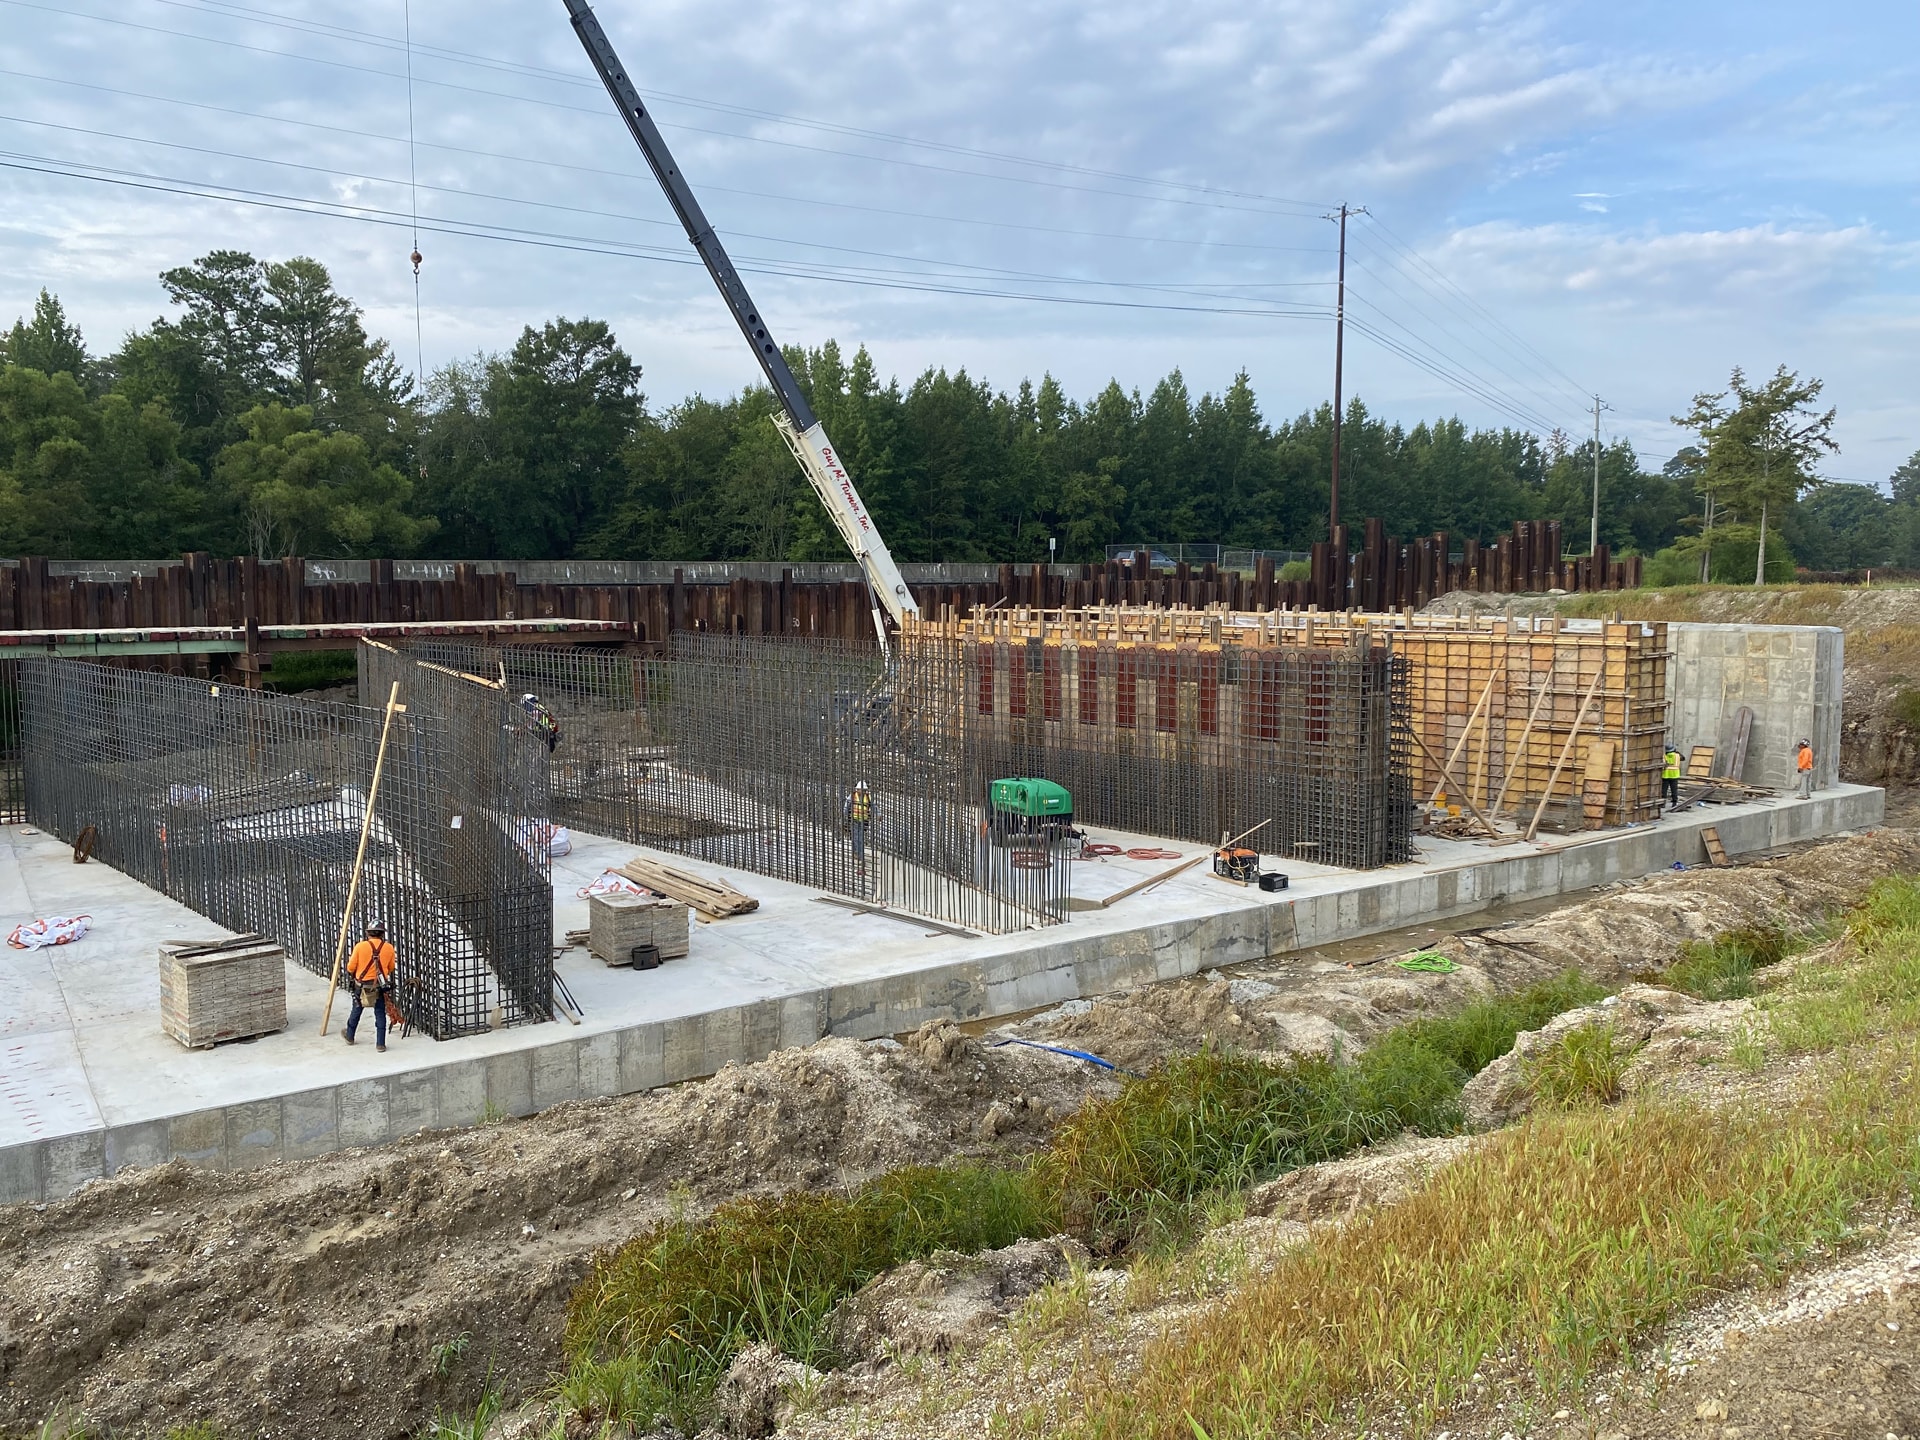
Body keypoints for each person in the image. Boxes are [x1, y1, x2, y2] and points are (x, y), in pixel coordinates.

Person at [344, 920, 397, 1052]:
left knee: (356, 1009)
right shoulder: (389, 947)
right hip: (379, 986)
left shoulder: (360, 946)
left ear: (368, 933)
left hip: (361, 986)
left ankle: (349, 1036)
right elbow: (391, 967)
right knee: (380, 1013)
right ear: (382, 934)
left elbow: (350, 967)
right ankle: (380, 1044)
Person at [845, 780, 872, 866]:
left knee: (859, 839)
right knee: (857, 838)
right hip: (854, 820)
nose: (862, 791)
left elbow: (874, 806)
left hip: (864, 821)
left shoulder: (868, 797)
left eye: (864, 790)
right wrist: (844, 815)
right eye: (861, 789)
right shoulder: (852, 796)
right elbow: (846, 806)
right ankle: (860, 857)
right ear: (857, 789)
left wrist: (878, 814)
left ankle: (856, 853)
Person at [1662, 743, 1682, 809]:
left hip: (1666, 775)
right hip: (1675, 775)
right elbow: (1683, 758)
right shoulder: (1677, 755)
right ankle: (1674, 803)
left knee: (1664, 790)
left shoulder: (1664, 756)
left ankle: (1663, 803)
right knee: (1674, 789)